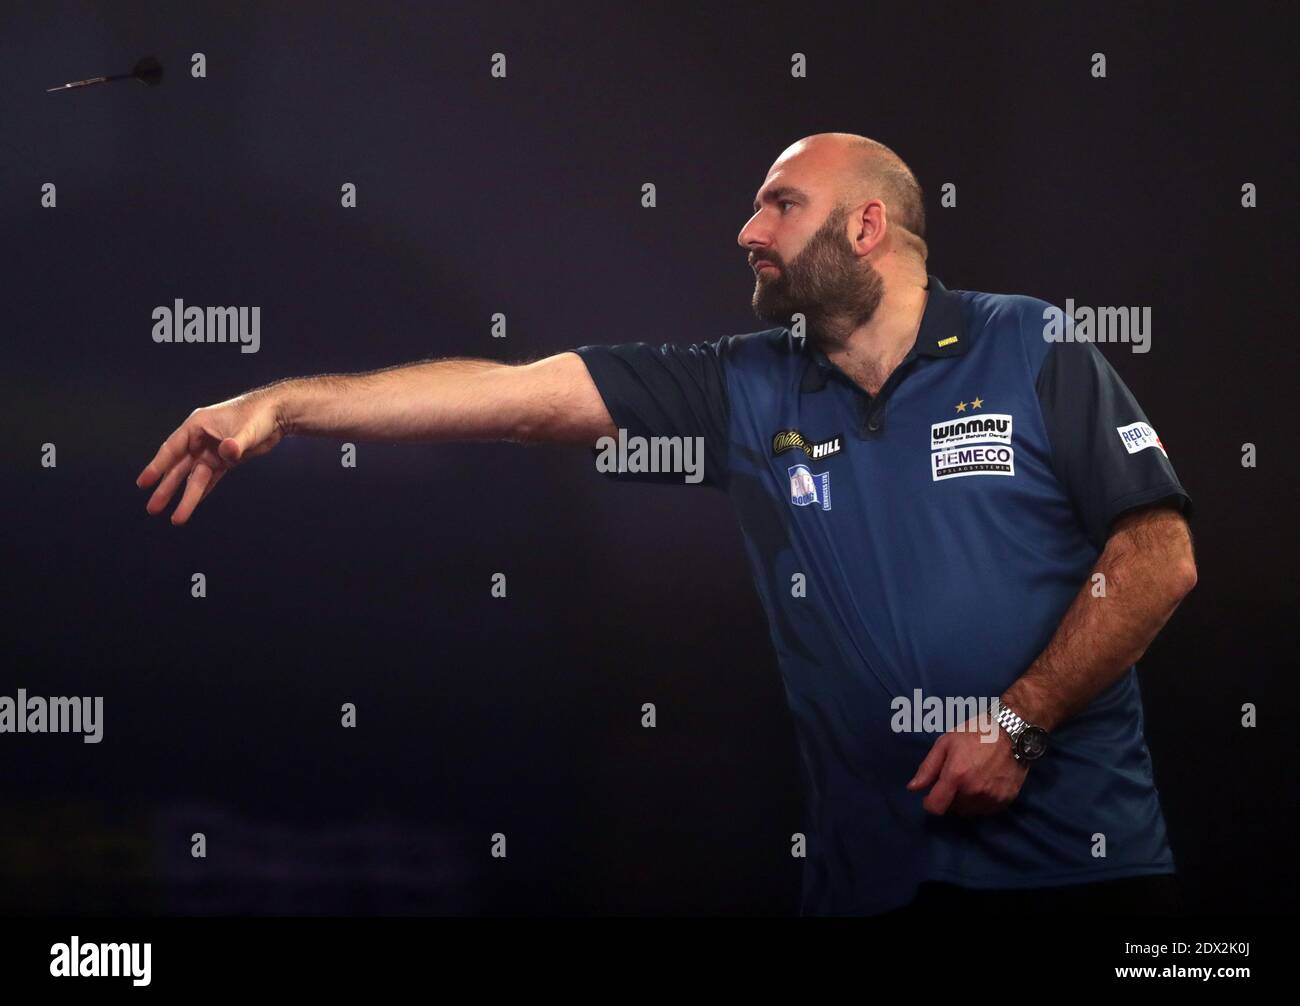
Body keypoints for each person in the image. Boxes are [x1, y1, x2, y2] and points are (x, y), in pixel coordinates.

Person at [136, 132, 1196, 916]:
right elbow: (525, 392)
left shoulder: (1030, 346)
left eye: (779, 204)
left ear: (865, 225)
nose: (747, 231)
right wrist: (284, 403)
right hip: (867, 882)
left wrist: (1021, 718)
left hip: (1080, 867)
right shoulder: (744, 388)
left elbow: (1159, 555)